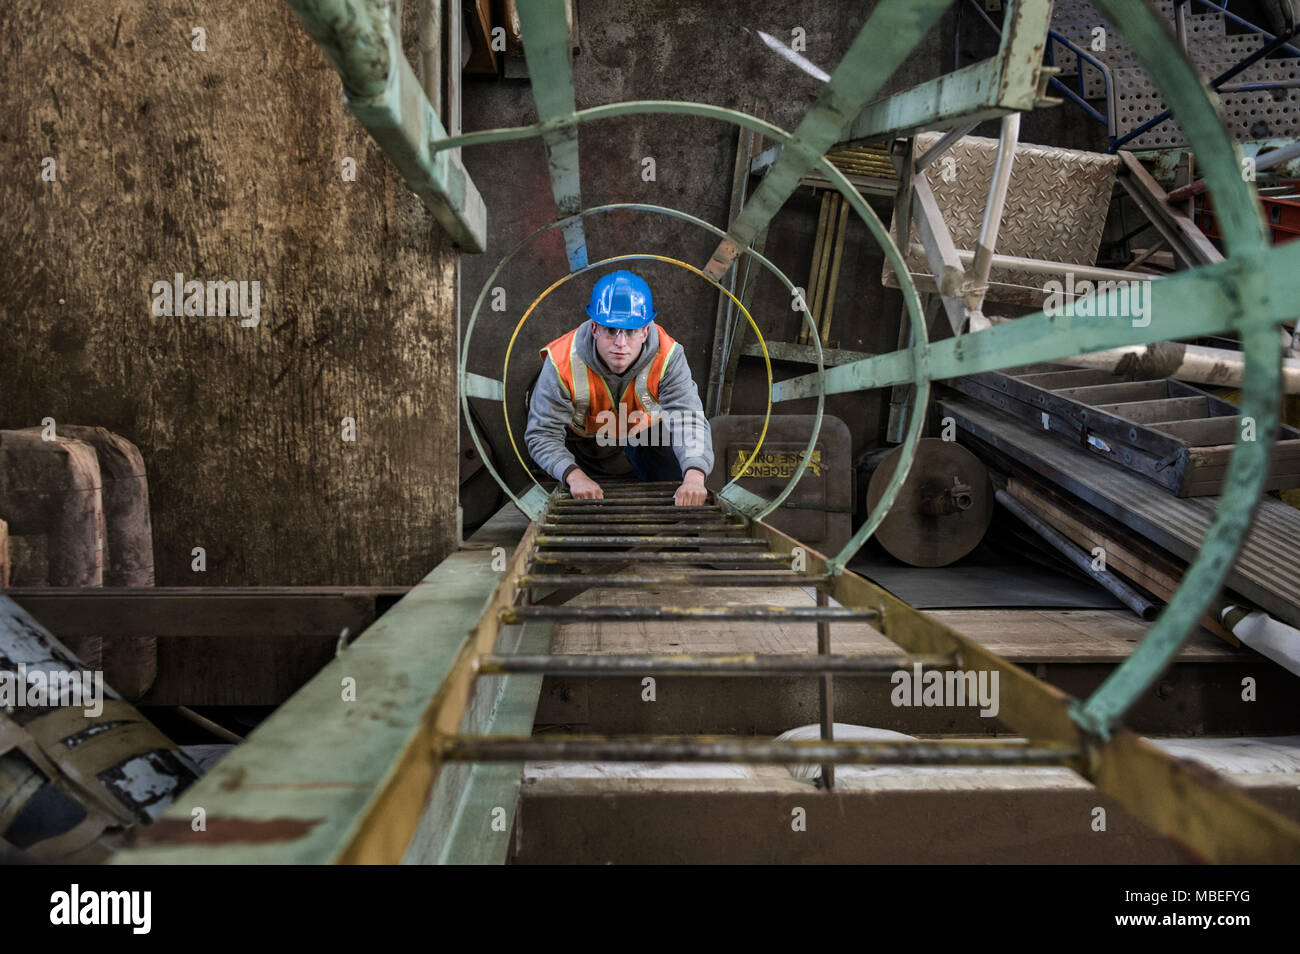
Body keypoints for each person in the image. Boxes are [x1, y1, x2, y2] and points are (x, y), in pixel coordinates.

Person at [525, 270, 713, 505]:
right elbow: (543, 434)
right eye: (611, 330)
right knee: (574, 499)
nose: (620, 343)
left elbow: (688, 419)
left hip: (645, 435)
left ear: (645, 331)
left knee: (672, 480)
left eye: (631, 331)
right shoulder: (562, 360)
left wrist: (695, 477)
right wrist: (573, 476)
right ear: (595, 328)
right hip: (580, 441)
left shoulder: (669, 356)